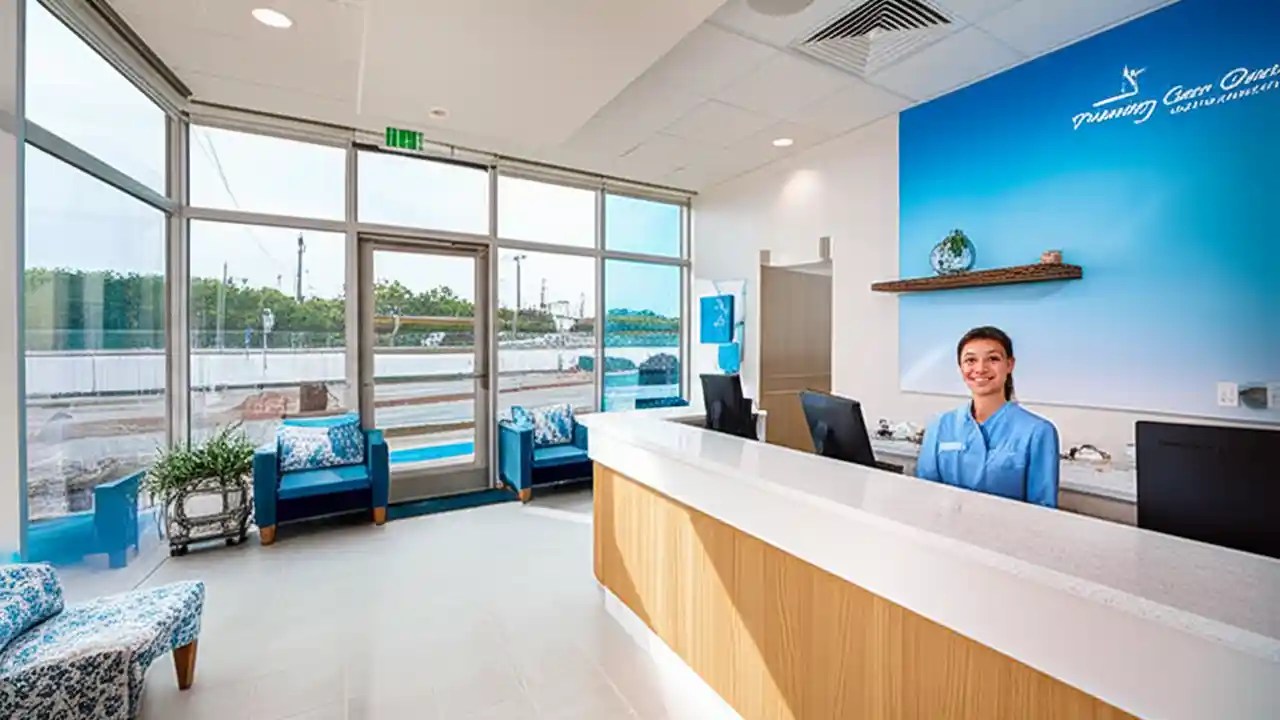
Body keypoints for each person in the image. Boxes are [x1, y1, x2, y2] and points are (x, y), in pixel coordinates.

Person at [916, 326, 1060, 507]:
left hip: (1008, 533)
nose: (980, 368)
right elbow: (925, 493)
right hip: (945, 531)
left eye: (993, 359)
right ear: (960, 367)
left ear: (1009, 365)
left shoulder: (1038, 432)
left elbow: (1042, 509)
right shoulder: (940, 426)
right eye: (970, 360)